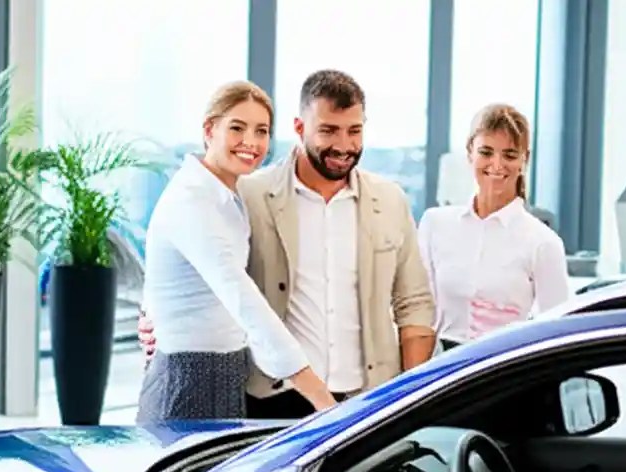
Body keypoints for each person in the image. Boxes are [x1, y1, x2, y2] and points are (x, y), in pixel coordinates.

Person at [139, 69, 436, 419]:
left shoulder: (390, 200)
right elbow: (228, 287)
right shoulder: (248, 194)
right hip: (272, 395)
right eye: (328, 130)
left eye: (354, 131)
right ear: (299, 127)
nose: (343, 145)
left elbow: (414, 303)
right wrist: (155, 315)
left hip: (369, 396)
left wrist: (412, 398)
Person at [136, 80, 336, 424]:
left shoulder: (232, 193)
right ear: (209, 130)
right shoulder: (191, 200)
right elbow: (243, 299)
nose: (251, 142)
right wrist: (322, 398)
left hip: (228, 371)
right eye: (237, 128)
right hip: (185, 379)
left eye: (262, 131)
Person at [417, 103, 568, 350]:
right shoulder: (435, 224)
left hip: (505, 365)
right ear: (470, 152)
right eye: (486, 152)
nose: (497, 165)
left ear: (524, 160)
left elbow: (555, 333)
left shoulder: (543, 242)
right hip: (441, 364)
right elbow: (420, 312)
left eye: (509, 155)